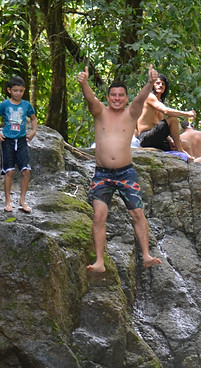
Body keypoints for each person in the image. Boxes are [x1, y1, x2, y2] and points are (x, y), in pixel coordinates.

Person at [78, 65, 164, 272]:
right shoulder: (100, 113)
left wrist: (151, 82)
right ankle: (99, 262)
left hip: (126, 171)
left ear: (125, 98)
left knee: (137, 213)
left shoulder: (131, 113)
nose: (117, 98)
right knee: (99, 215)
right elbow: (91, 99)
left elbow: (140, 99)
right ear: (108, 97)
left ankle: (146, 255)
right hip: (102, 174)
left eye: (121, 95)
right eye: (113, 95)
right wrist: (84, 83)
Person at [0, 75, 38, 213]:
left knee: (26, 170)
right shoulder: (4, 104)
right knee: (9, 171)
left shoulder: (26, 105)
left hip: (22, 141)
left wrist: (33, 131)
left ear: (24, 90)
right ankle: (8, 201)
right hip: (8, 141)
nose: (18, 93)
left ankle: (22, 200)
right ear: (9, 90)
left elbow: (33, 118)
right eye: (15, 90)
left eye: (21, 91)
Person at [135, 73, 195, 154]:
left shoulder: (160, 102)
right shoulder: (149, 96)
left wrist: (170, 140)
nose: (160, 85)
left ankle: (191, 163)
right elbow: (166, 111)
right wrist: (186, 114)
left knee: (185, 144)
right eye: (158, 83)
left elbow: (160, 126)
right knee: (172, 119)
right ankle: (179, 149)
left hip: (155, 138)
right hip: (145, 137)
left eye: (163, 84)